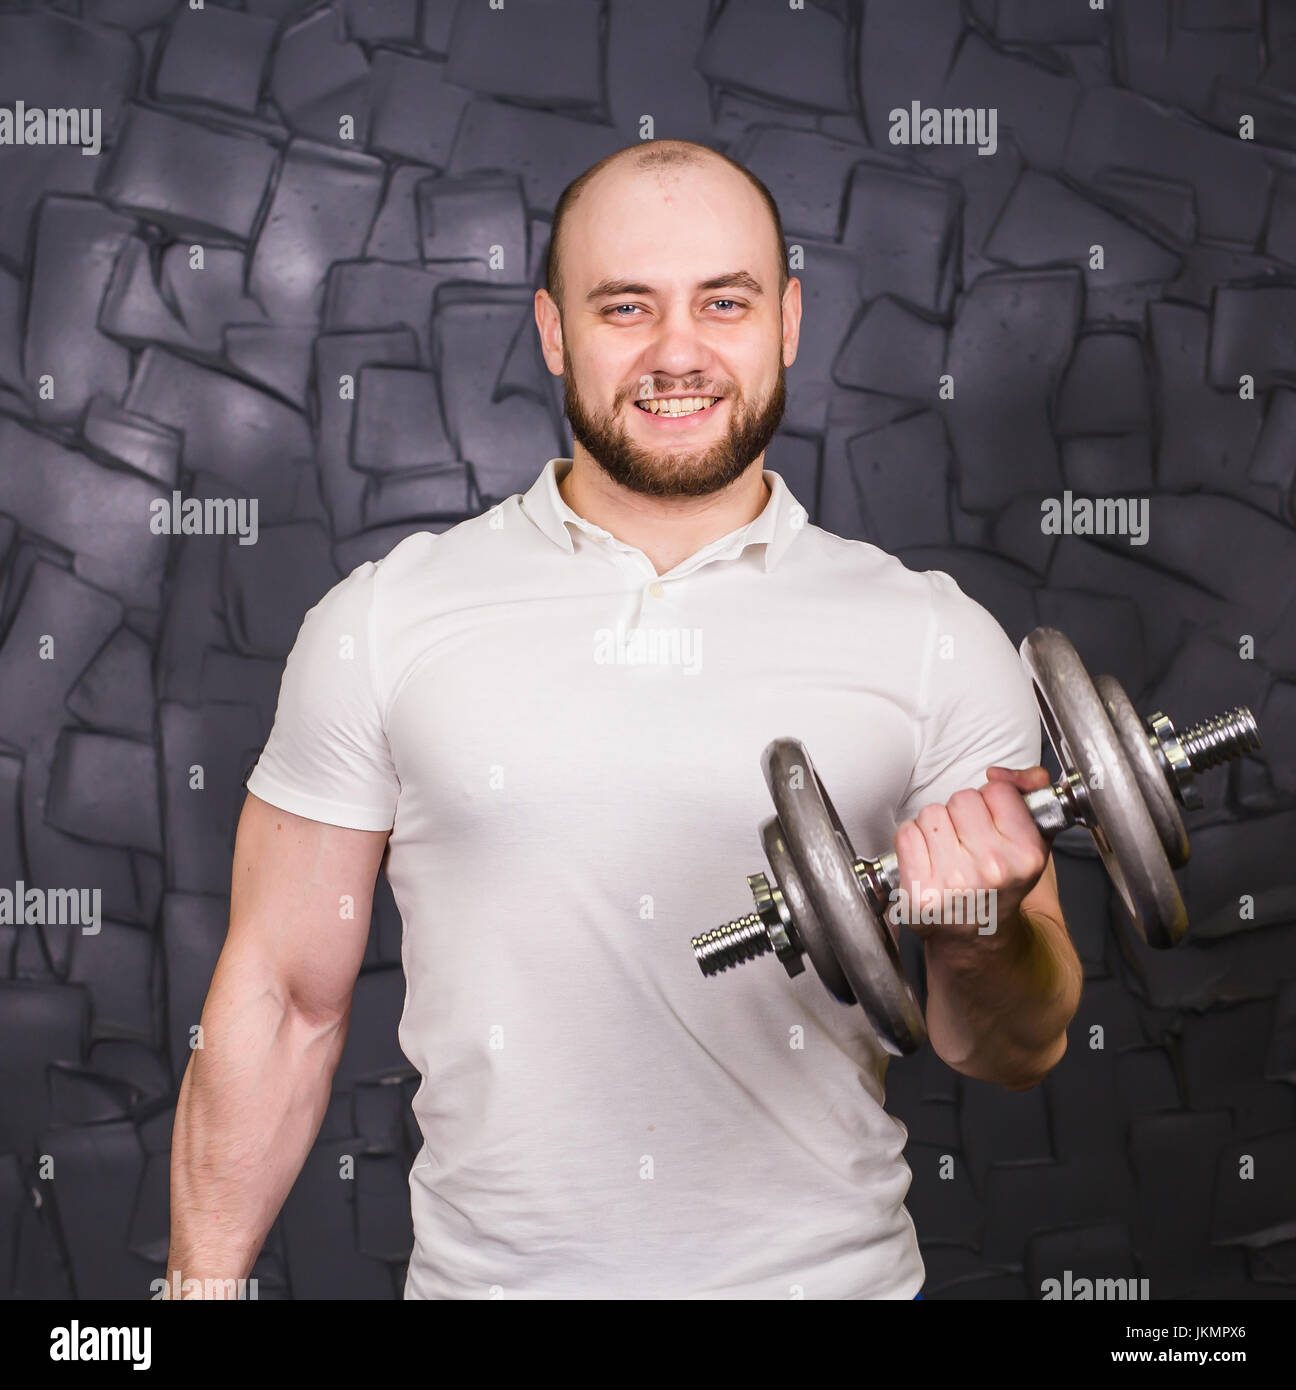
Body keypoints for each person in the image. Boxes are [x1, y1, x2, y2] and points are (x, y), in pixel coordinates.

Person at [165, 139, 1082, 1301]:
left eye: (725, 303)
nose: (679, 351)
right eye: (626, 307)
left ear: (789, 321)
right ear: (553, 332)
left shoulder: (933, 636)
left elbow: (1011, 1045)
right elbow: (283, 999)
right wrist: (195, 1294)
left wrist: (985, 929)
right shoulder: (386, 619)